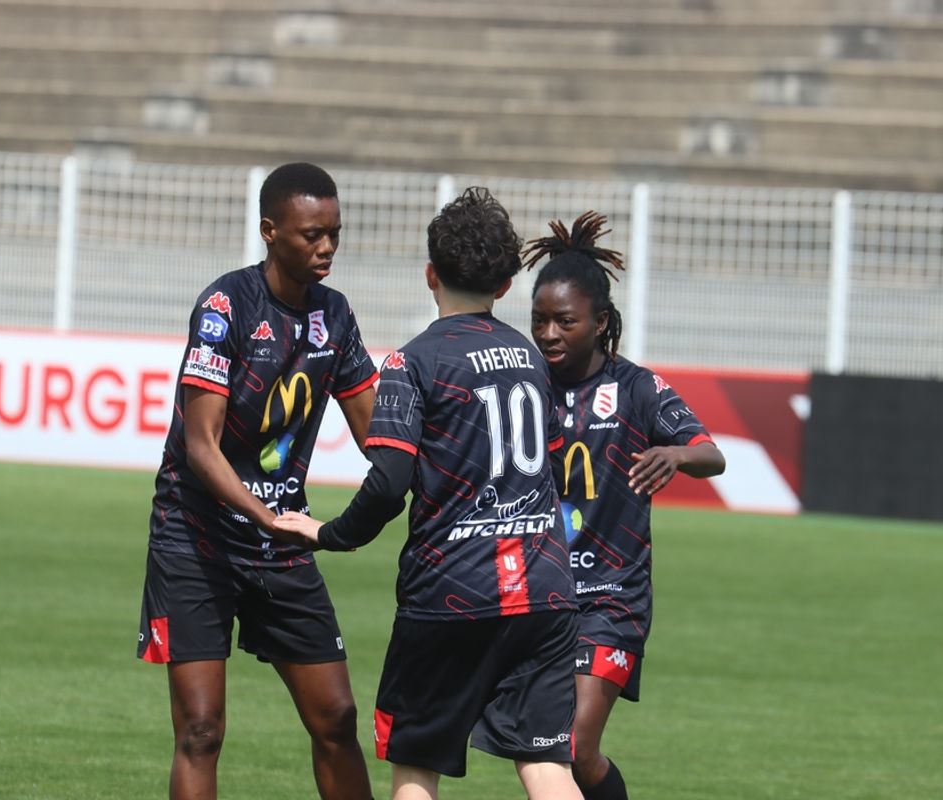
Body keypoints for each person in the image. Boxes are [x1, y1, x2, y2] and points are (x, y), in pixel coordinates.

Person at [273, 187, 584, 800]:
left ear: (430, 275)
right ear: (503, 286)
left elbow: (389, 482)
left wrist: (329, 534)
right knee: (548, 769)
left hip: (450, 595)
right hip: (545, 593)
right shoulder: (530, 356)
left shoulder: (412, 364)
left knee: (416, 770)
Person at [135, 162, 378, 800]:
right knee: (201, 730)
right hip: (197, 540)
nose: (325, 247)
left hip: (283, 542)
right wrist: (263, 515)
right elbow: (200, 447)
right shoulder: (226, 307)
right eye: (309, 234)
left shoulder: (337, 315)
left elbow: (378, 434)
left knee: (338, 719)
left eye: (334, 232)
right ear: (270, 231)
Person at [524, 211, 727, 800]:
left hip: (614, 598)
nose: (550, 334)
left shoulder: (637, 389)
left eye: (566, 321)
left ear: (600, 322)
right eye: (540, 320)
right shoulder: (526, 385)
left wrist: (676, 456)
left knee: (574, 745)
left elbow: (710, 453)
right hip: (541, 592)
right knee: (547, 751)